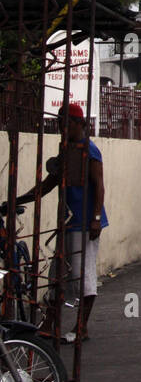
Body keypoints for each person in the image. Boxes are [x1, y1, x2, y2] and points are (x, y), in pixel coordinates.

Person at [13, 101, 108, 341]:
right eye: (59, 123)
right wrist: (21, 199)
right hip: (68, 221)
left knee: (80, 273)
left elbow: (99, 186)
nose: (62, 127)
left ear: (78, 124)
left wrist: (95, 219)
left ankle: (81, 326)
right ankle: (50, 322)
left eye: (66, 123)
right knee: (59, 273)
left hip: (84, 222)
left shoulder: (90, 150)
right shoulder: (68, 149)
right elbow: (49, 183)